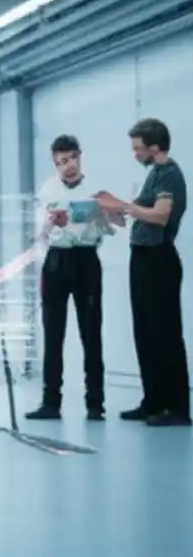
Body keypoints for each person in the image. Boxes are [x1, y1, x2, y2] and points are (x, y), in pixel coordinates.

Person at [95, 118, 192, 427]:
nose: (135, 154)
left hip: (158, 260)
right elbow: (134, 215)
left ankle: (176, 408)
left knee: (164, 333)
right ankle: (153, 401)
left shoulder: (169, 174)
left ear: (155, 147)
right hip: (142, 259)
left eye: (138, 148)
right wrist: (109, 209)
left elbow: (161, 217)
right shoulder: (154, 175)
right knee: (145, 331)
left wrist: (123, 204)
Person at [26, 135, 116, 421]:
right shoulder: (47, 190)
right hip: (57, 260)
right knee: (53, 333)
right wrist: (50, 223)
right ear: (55, 163)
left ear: (80, 156)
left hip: (87, 260)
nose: (67, 166)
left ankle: (95, 404)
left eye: (71, 159)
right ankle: (50, 402)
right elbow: (38, 234)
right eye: (60, 162)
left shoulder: (96, 189)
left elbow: (115, 223)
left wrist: (94, 214)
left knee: (91, 334)